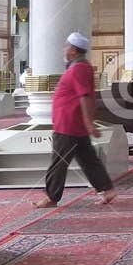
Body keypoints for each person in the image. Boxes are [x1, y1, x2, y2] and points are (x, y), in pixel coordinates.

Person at [32, 32, 117, 208]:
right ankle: (107, 189)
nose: (64, 49)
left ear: (73, 50)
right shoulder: (79, 67)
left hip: (68, 124)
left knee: (59, 162)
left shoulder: (78, 68)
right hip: (73, 124)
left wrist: (89, 123)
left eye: (67, 46)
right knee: (88, 159)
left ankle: (51, 197)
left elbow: (84, 97)